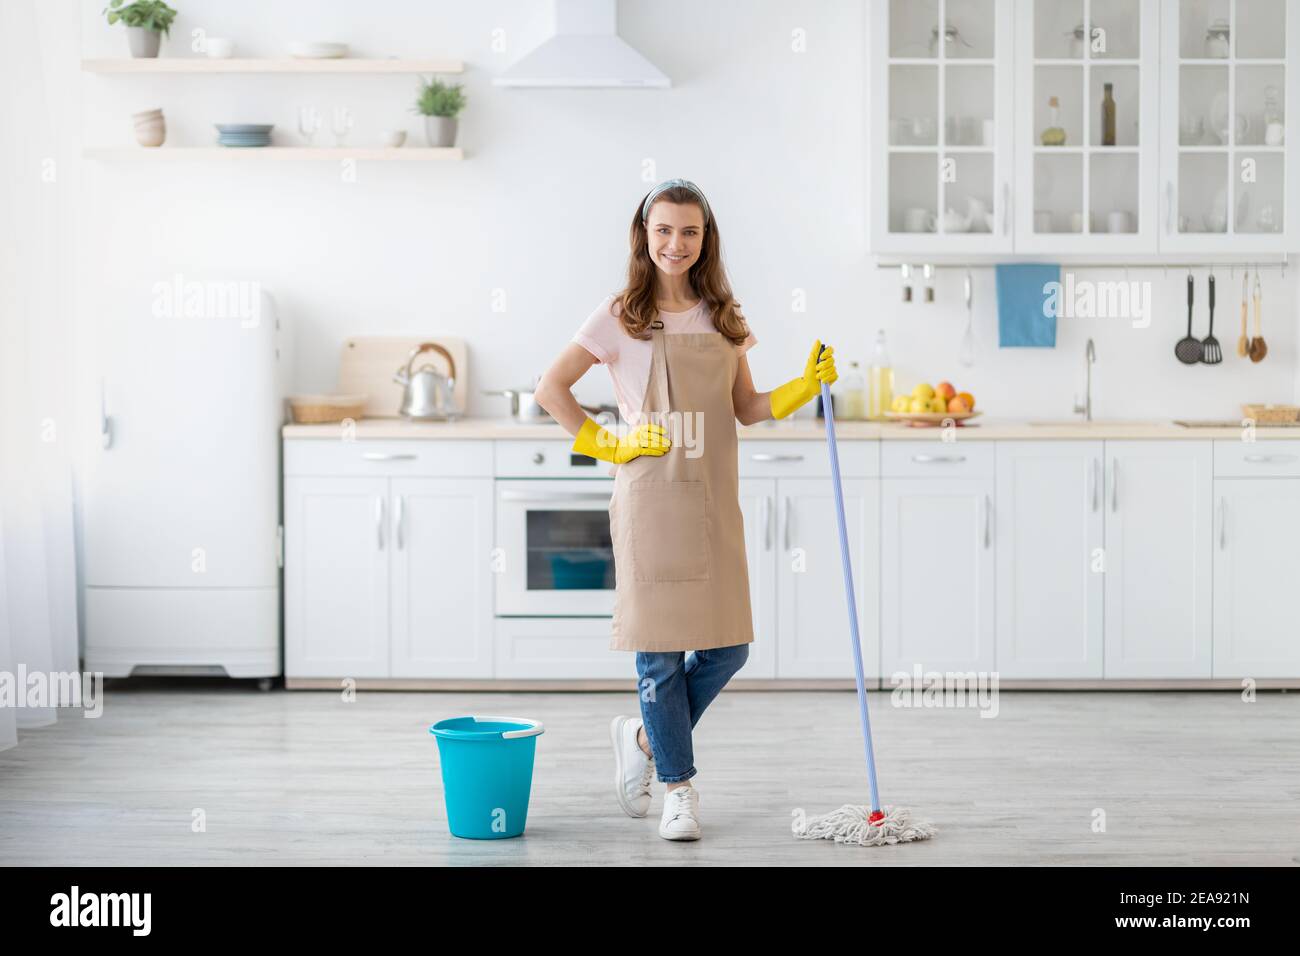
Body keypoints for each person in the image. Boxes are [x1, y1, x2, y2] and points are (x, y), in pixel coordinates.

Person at [534, 178, 836, 841]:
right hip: (650, 498)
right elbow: (551, 389)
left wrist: (804, 387)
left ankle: (644, 737)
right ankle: (679, 787)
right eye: (663, 229)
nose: (675, 242)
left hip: (712, 499)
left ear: (706, 239)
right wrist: (609, 443)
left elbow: (748, 410)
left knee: (730, 648)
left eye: (689, 231)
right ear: (644, 235)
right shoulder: (620, 315)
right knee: (661, 659)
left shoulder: (723, 314)